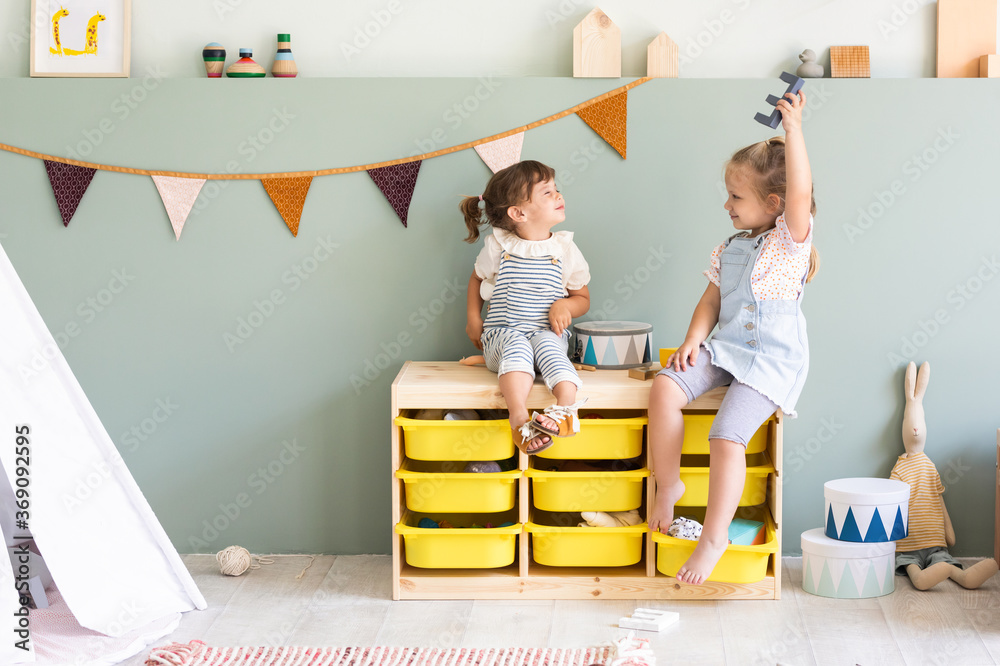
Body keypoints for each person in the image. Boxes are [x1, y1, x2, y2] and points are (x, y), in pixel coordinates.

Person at [647, 90, 819, 584]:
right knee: (664, 386)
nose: (726, 204)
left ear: (773, 203)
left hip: (770, 360)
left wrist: (794, 130)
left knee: (726, 436)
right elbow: (710, 301)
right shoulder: (730, 246)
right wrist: (691, 340)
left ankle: (714, 538)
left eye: (735, 197)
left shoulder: (789, 241)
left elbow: (800, 192)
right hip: (726, 349)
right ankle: (669, 485)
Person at [461, 160, 590, 455]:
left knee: (550, 345)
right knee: (517, 343)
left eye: (557, 190)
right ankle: (518, 417)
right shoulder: (499, 247)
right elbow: (476, 279)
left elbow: (583, 298)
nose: (559, 196)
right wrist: (472, 319)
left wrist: (566, 304)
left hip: (545, 336)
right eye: (547, 193)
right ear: (518, 213)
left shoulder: (565, 249)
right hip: (502, 337)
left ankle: (567, 410)